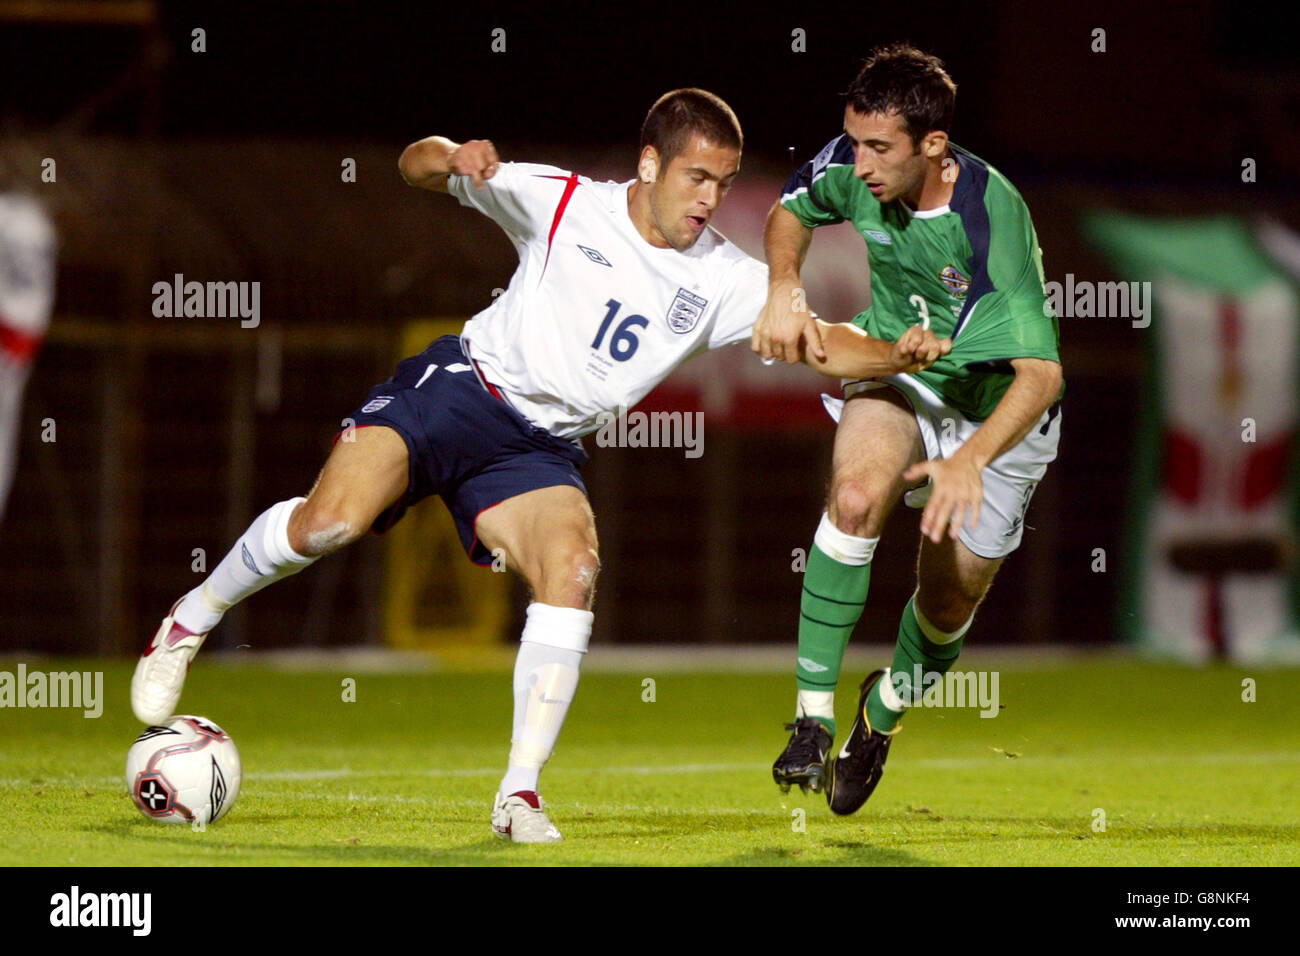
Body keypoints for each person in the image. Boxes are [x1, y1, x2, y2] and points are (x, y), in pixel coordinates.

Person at [131, 88, 949, 842]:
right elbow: (414, 165)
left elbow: (819, 341)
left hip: (534, 450)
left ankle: (518, 792)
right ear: (650, 165)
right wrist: (451, 154)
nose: (710, 199)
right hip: (454, 393)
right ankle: (191, 618)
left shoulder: (726, 277)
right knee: (328, 524)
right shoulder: (561, 200)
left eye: (724, 181)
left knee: (575, 569)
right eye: (698, 177)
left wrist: (897, 352)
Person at [753, 44, 1064, 815]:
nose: (857, 164)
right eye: (853, 141)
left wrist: (971, 461)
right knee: (855, 497)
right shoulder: (853, 163)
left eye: (877, 148)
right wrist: (785, 286)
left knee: (949, 600)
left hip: (1000, 409)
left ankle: (881, 714)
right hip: (902, 369)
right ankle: (810, 720)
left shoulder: (991, 217)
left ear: (934, 146)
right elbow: (789, 210)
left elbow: (1042, 374)